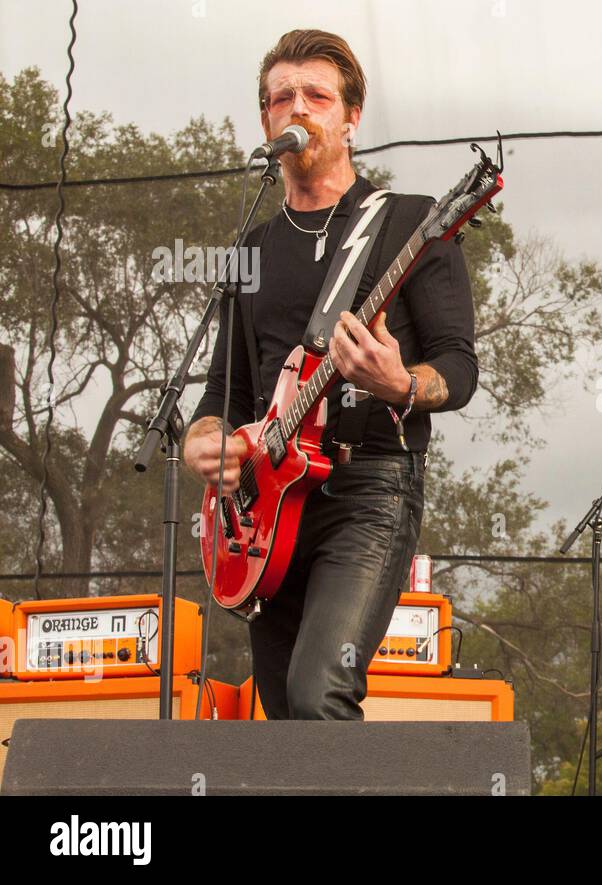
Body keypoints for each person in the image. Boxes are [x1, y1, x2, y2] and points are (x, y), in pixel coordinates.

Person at [183, 29, 477, 719]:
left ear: (350, 118)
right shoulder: (252, 248)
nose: (297, 108)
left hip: (369, 488)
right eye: (281, 98)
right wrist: (206, 436)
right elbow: (226, 389)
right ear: (266, 121)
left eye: (316, 95)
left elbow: (459, 368)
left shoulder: (410, 224)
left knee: (319, 692)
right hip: (267, 504)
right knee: (282, 707)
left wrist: (400, 383)